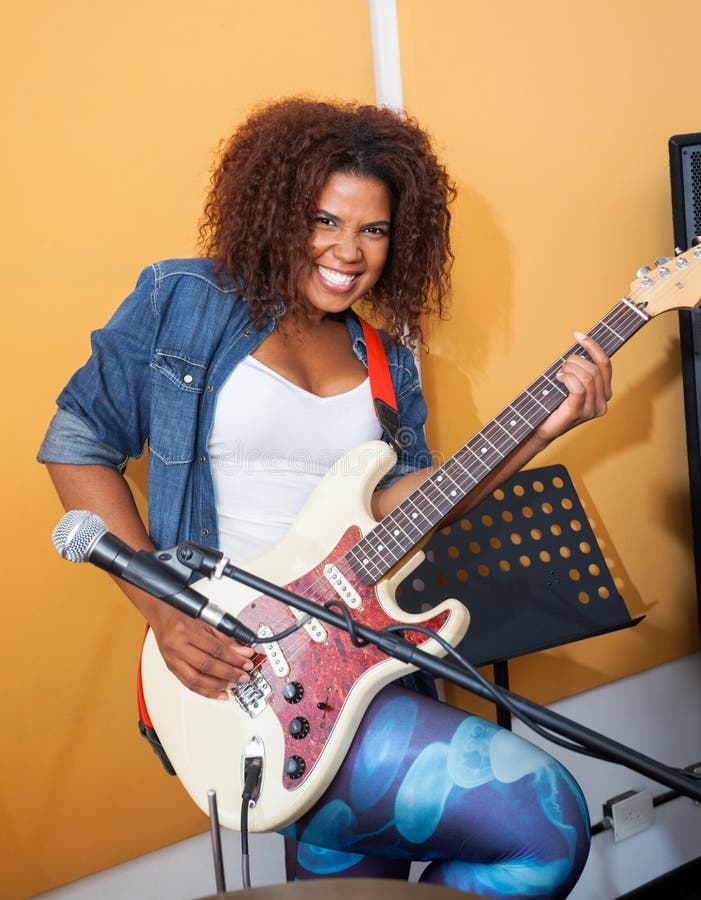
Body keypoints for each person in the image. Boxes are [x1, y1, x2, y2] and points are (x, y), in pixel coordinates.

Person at [38, 98, 612, 899]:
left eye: (372, 229)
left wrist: (539, 431)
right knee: (545, 827)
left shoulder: (383, 357)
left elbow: (405, 505)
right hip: (234, 670)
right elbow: (77, 443)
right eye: (323, 220)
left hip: (359, 663)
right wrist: (164, 609)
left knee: (354, 887)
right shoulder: (185, 300)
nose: (349, 252)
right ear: (273, 212)